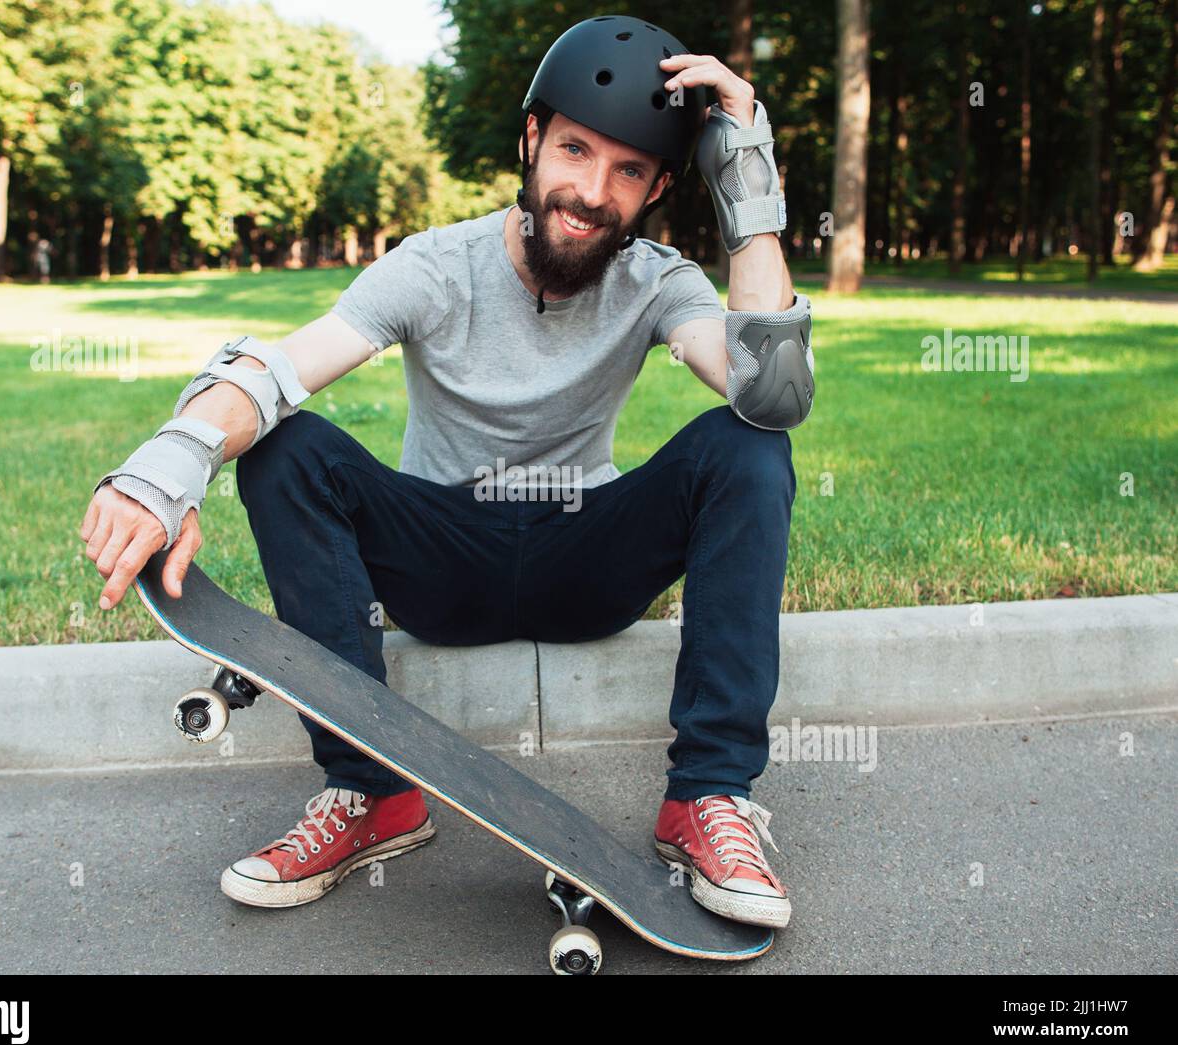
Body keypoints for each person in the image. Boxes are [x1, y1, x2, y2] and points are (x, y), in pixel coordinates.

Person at [80, 14, 814, 929]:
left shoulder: (659, 281)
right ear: (531, 140)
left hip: (586, 559)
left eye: (627, 170)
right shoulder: (436, 265)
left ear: (662, 185)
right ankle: (370, 793)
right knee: (287, 447)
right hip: (440, 558)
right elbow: (280, 370)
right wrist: (172, 461)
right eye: (575, 150)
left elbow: (773, 394)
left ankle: (707, 800)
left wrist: (746, 169)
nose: (590, 191)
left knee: (749, 444)